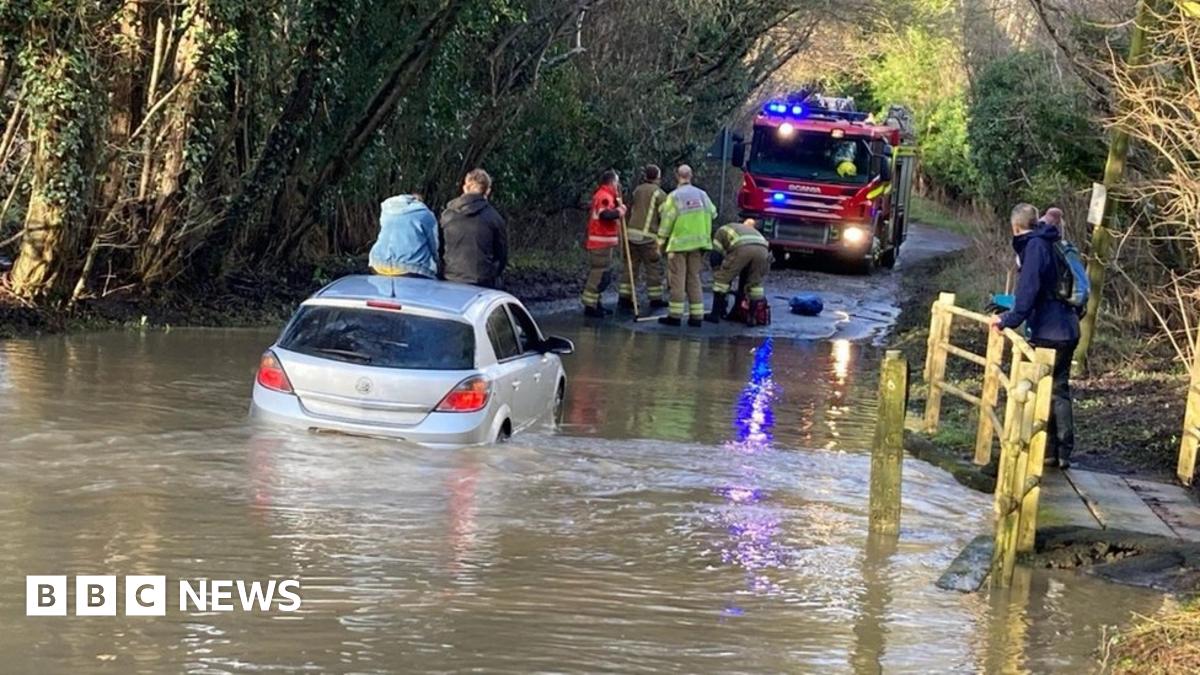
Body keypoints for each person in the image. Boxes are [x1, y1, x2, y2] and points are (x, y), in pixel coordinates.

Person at [991, 203, 1080, 469]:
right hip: (1068, 326)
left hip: (1048, 330)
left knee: (1038, 388)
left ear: (1015, 226)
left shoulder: (1034, 248)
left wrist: (1007, 320)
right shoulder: (1051, 242)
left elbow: (1028, 292)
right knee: (1059, 389)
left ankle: (1041, 448)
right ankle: (1060, 452)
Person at [657, 165, 716, 327]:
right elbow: (713, 212)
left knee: (678, 279)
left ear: (678, 176)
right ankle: (696, 317)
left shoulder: (675, 197)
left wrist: (660, 243)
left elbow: (666, 221)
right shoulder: (703, 195)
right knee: (694, 278)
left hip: (679, 245)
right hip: (699, 245)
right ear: (691, 176)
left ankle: (675, 316)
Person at [441, 169, 508, 288]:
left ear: (465, 188)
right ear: (487, 191)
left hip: (451, 278)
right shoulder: (494, 218)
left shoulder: (447, 215)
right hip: (483, 281)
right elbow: (501, 256)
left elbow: (438, 248)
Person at [619, 165, 668, 311]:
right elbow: (665, 216)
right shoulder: (659, 194)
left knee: (630, 268)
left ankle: (624, 298)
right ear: (658, 177)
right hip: (648, 238)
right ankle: (655, 299)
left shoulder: (637, 190)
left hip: (631, 234)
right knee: (653, 268)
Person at [706, 218, 769, 323]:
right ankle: (751, 317)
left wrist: (718, 271)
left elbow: (716, 255)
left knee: (721, 281)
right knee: (755, 284)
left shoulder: (720, 232)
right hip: (763, 250)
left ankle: (715, 315)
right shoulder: (744, 230)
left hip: (743, 249)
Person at [581, 170, 626, 317]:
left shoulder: (603, 195)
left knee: (602, 274)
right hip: (600, 242)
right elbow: (604, 215)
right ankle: (590, 305)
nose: (618, 185)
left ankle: (596, 303)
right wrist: (619, 211)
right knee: (599, 274)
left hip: (602, 242)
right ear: (611, 182)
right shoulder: (604, 196)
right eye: (616, 182)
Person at [368, 193, 439, 278]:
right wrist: (437, 261)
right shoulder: (425, 214)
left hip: (378, 264)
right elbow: (434, 244)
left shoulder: (387, 211)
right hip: (412, 267)